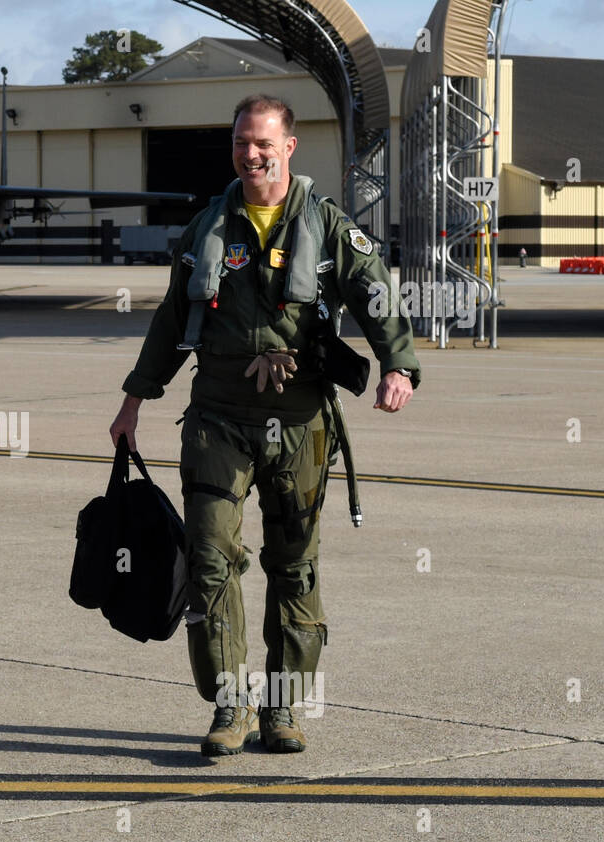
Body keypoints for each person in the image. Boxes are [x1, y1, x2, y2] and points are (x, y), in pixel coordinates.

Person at [109, 95, 420, 757]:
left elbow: (375, 290)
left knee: (294, 568)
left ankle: (282, 711)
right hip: (219, 414)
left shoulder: (327, 227)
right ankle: (230, 705)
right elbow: (170, 320)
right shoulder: (205, 230)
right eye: (241, 143)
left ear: (289, 147)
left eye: (262, 143)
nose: (251, 155)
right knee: (212, 560)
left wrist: (400, 363)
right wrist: (136, 397)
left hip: (301, 419)